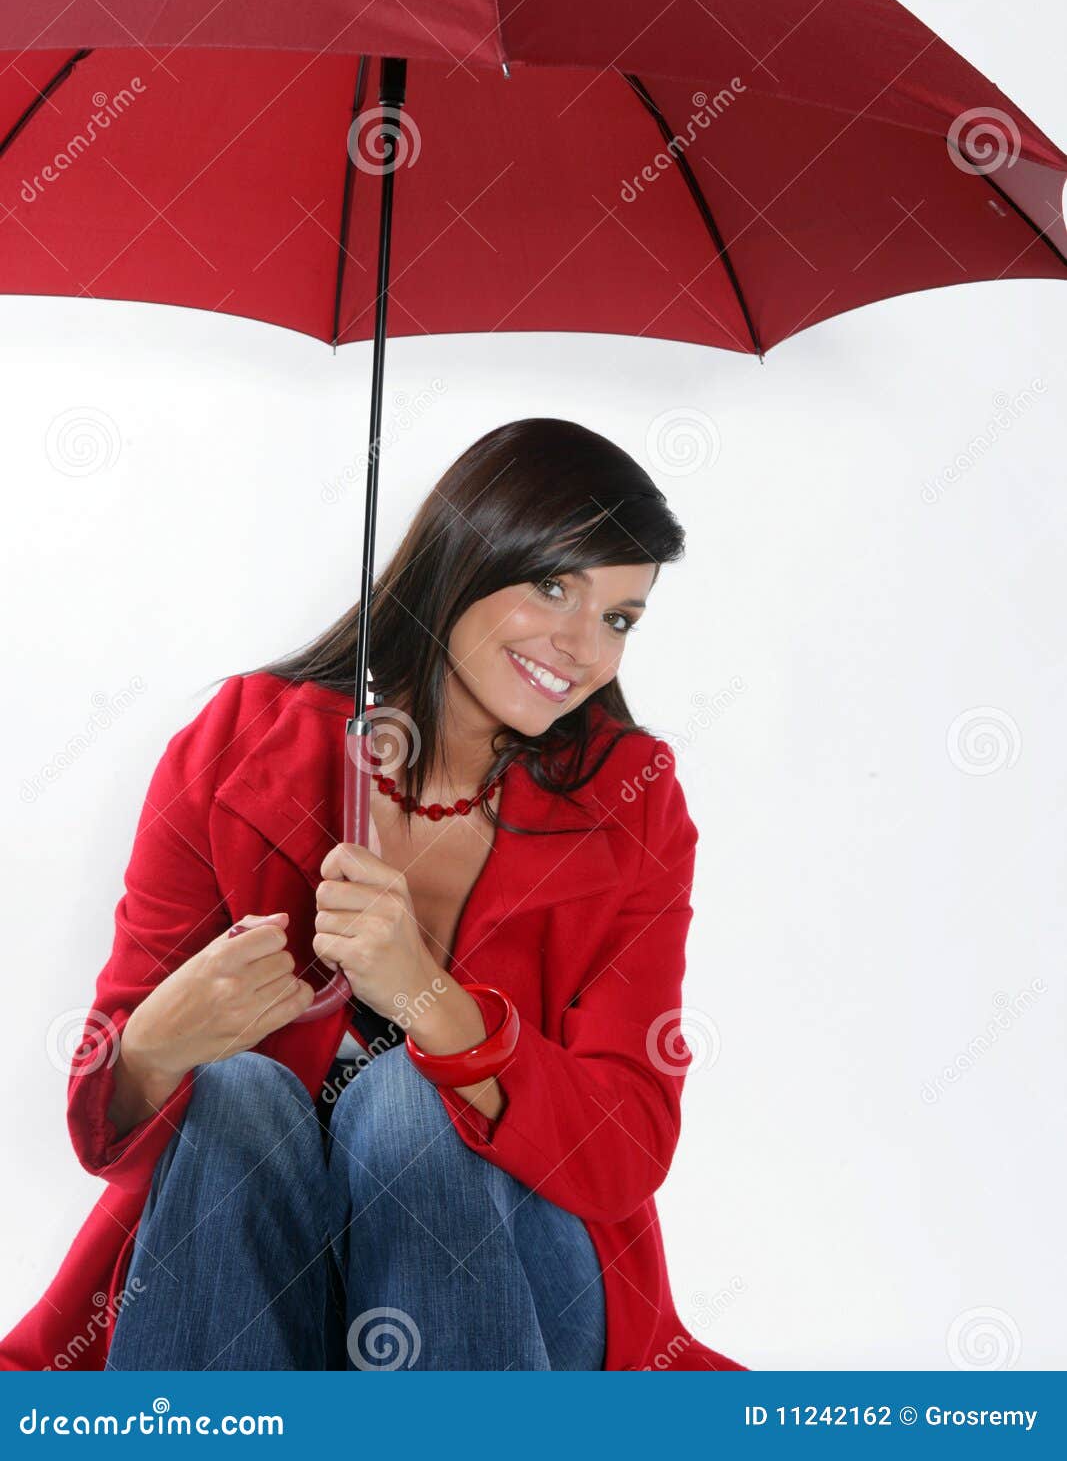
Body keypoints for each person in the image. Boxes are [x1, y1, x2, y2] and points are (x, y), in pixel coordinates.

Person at [0, 417, 746, 1372]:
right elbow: (113, 1130)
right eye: (555, 586)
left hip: (520, 1292)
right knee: (236, 1093)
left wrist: (431, 1002)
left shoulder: (631, 800)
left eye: (619, 618)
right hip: (248, 1283)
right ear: (465, 556)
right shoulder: (239, 742)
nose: (582, 647)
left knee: (410, 1102)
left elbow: (624, 1150)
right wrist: (154, 1045)